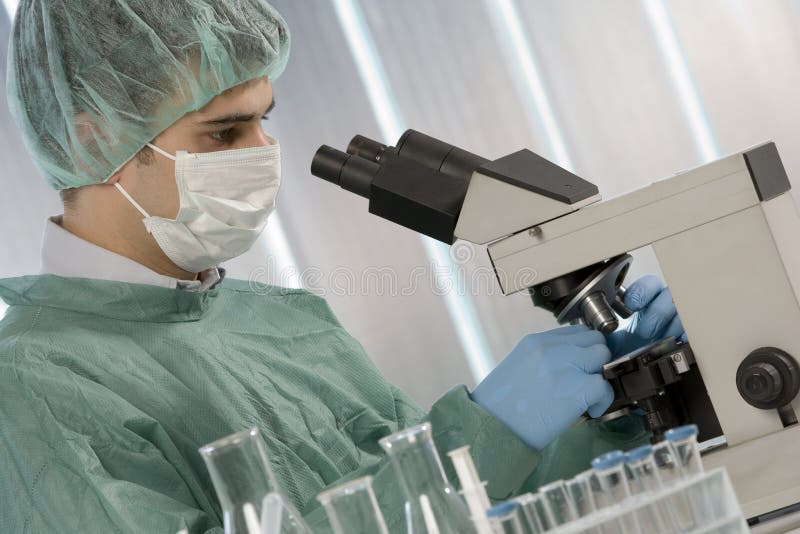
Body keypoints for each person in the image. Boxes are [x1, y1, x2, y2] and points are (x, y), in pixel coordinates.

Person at [0, 1, 684, 532]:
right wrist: (484, 437)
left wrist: (619, 405)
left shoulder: (281, 321)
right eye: (224, 132)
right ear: (94, 139)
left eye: (264, 120)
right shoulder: (34, 389)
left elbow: (463, 513)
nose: (263, 151)